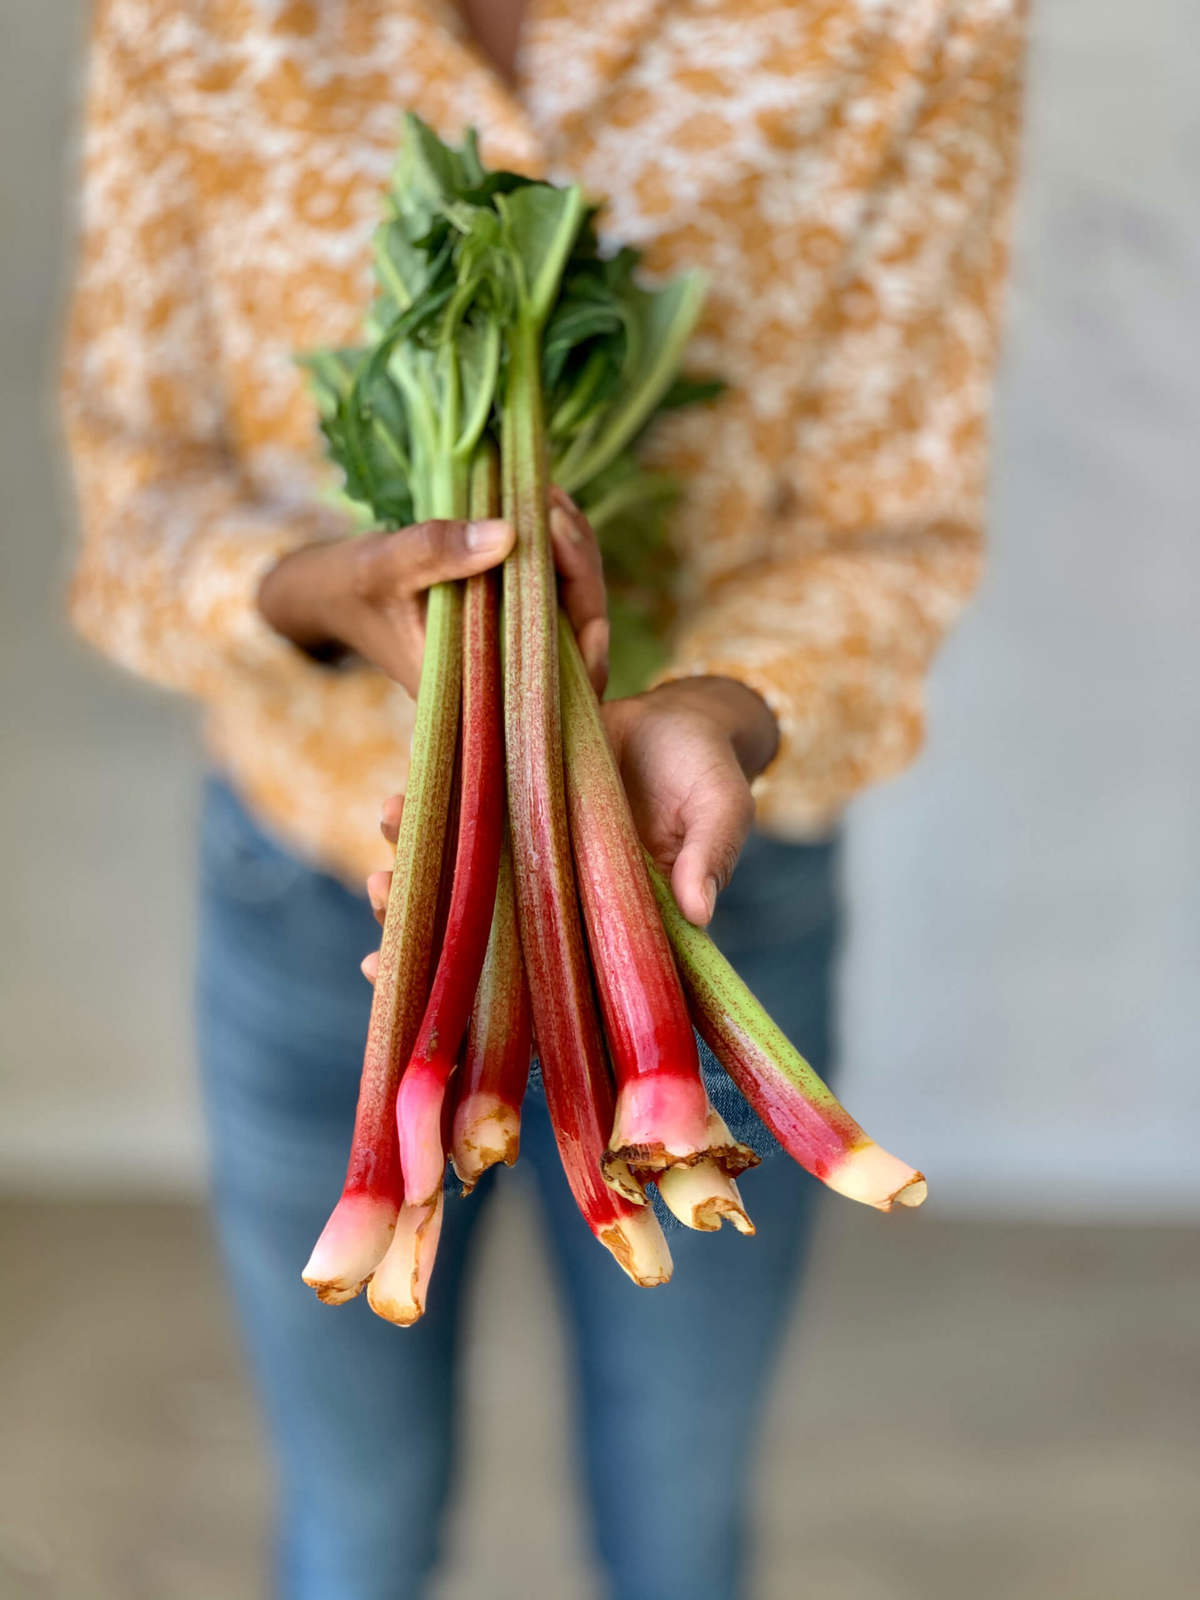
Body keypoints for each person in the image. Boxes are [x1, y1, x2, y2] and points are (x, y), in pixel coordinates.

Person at [61, 2, 1024, 1596]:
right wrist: (313, 588)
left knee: (678, 1518)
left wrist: (712, 706)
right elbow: (132, 491)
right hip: (313, 883)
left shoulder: (918, 21)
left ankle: (580, 1117)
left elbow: (895, 527)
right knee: (353, 1527)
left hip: (708, 865)